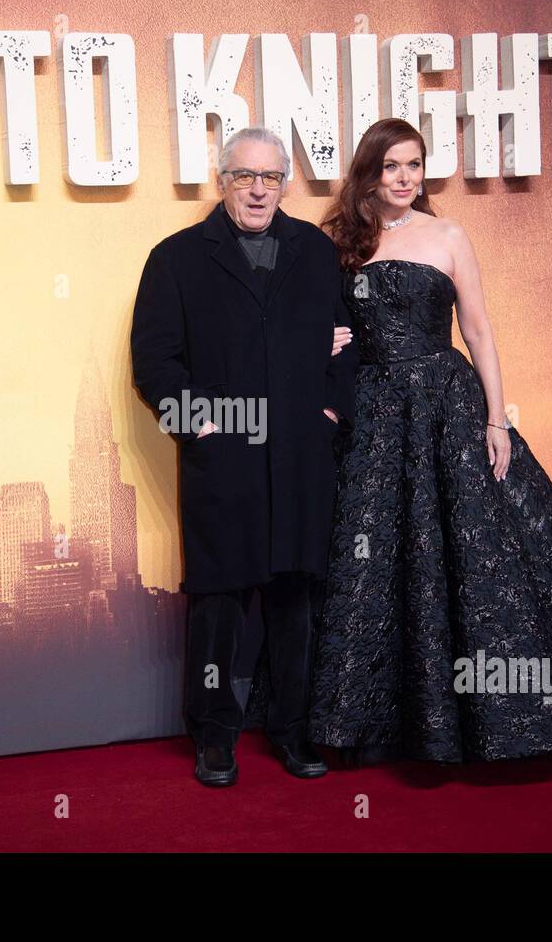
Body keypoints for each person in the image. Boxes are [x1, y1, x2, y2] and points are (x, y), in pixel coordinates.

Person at [309, 118, 552, 767]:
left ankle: (508, 722)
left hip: (447, 405)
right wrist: (328, 342)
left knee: (478, 552)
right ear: (369, 171)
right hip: (373, 414)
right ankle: (387, 726)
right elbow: (315, 327)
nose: (404, 178)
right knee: (379, 561)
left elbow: (478, 330)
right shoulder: (337, 243)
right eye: (392, 166)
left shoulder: (449, 235)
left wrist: (495, 420)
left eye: (414, 166)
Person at [130, 127, 359, 786]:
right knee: (218, 608)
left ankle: (293, 731)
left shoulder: (315, 252)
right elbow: (154, 360)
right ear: (222, 180)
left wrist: (329, 411)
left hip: (300, 460)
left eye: (271, 177)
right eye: (244, 176)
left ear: (285, 182)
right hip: (222, 463)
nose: (258, 189)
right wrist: (196, 422)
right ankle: (214, 736)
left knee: (296, 605)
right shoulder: (174, 259)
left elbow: (345, 349)